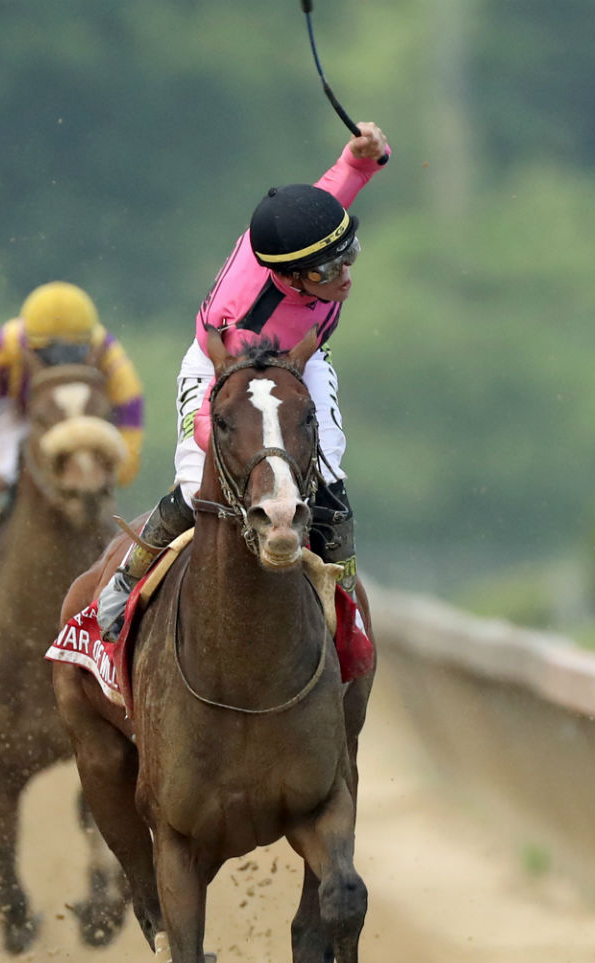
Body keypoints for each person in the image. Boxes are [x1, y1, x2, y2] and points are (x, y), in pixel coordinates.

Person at [97, 122, 389, 642]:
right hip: (225, 368)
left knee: (330, 484)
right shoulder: (242, 319)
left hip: (300, 358)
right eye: (327, 271)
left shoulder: (305, 235)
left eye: (348, 256)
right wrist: (242, 444)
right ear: (290, 277)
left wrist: (362, 157)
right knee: (196, 486)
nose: (344, 275)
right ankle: (126, 579)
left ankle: (346, 605)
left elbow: (334, 189)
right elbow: (219, 417)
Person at [0, 281, 144, 593]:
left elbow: (130, 428)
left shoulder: (110, 357)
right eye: (49, 355)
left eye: (75, 353)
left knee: (92, 478)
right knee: (5, 469)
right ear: (27, 347)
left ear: (90, 344)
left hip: (78, 413)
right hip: (15, 414)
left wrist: (114, 472)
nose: (63, 362)